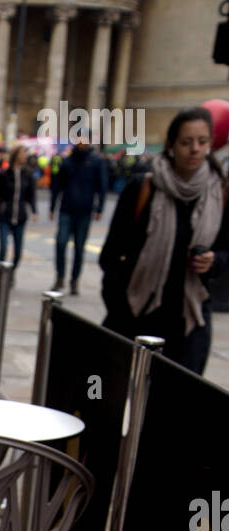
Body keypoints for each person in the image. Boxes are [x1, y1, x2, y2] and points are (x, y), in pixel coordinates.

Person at [99, 106, 229, 375]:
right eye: (186, 142)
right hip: (134, 315)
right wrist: (118, 301)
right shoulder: (142, 187)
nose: (194, 149)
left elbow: (227, 252)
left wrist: (215, 261)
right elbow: (109, 256)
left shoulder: (222, 194)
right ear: (171, 144)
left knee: (173, 411)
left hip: (189, 323)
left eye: (202, 142)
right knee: (106, 398)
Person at [50, 134, 107, 294]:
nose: (81, 142)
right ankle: (60, 277)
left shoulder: (96, 161)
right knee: (61, 242)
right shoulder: (67, 160)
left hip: (85, 210)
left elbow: (102, 186)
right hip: (66, 209)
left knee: (79, 248)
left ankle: (74, 280)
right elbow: (57, 185)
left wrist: (100, 208)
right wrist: (52, 207)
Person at [0, 142, 36, 278]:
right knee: (4, 247)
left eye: (25, 153)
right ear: (15, 155)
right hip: (5, 215)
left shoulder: (28, 175)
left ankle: (11, 273)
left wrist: (34, 211)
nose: (25, 156)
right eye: (22, 153)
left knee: (18, 252)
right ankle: (0, 275)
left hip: (20, 216)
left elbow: (31, 195)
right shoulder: (5, 174)